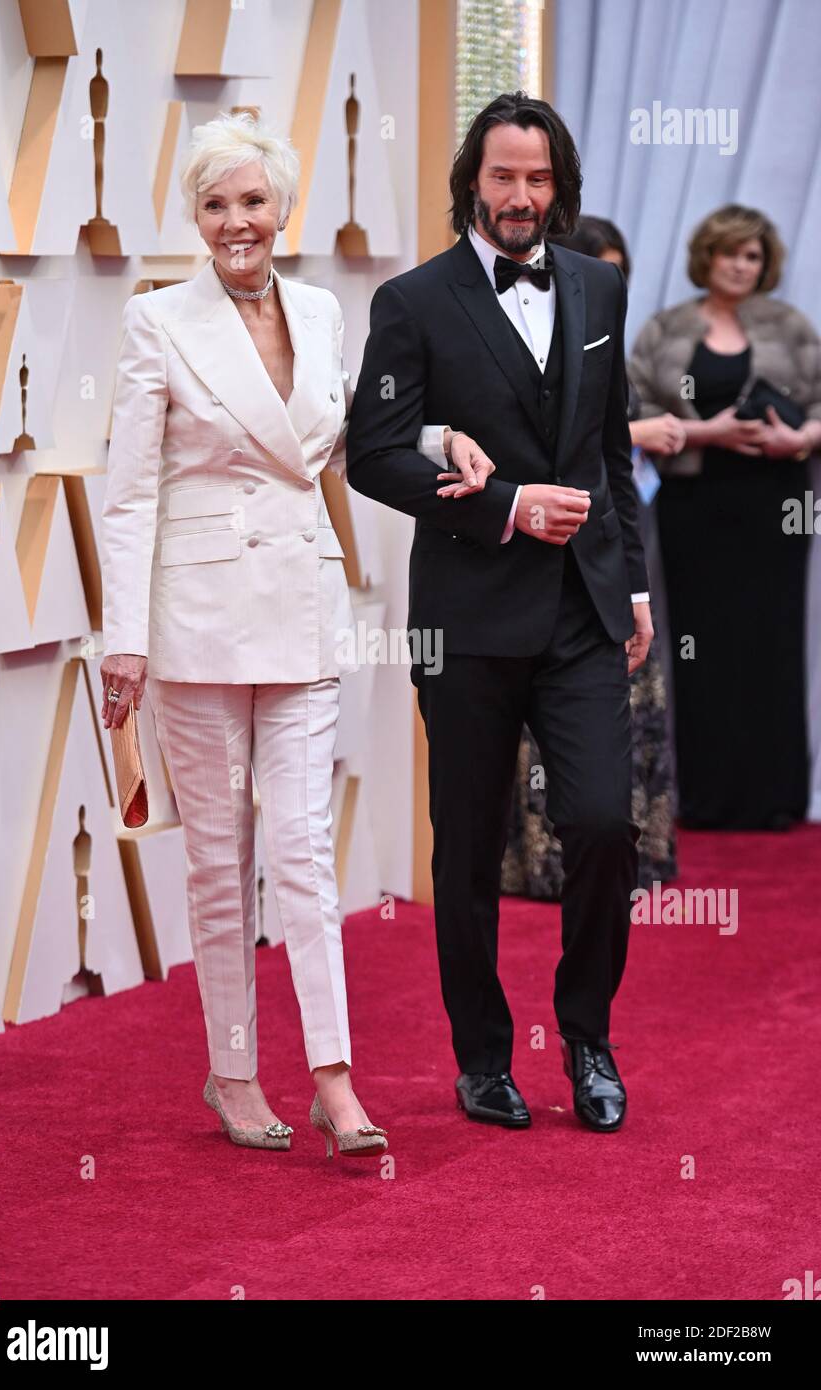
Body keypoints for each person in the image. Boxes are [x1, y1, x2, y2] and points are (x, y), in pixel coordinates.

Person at [347, 93, 653, 1134]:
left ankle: (587, 1035)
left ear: (560, 185)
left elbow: (609, 451)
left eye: (538, 179)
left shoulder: (601, 283)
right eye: (502, 177)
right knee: (469, 849)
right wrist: (506, 504)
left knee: (606, 823)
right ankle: (483, 1057)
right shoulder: (414, 300)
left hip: (581, 615)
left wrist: (637, 583)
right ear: (470, 182)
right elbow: (374, 452)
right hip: (469, 617)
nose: (520, 197)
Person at [99, 111, 390, 1158]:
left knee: (306, 850)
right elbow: (128, 496)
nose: (237, 222)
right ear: (195, 216)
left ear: (283, 206)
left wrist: (443, 438)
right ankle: (232, 1073)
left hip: (305, 610)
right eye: (216, 204)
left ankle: (334, 1078)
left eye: (253, 201)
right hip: (197, 624)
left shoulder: (320, 310)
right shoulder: (158, 321)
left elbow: (352, 439)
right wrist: (121, 638)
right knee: (220, 865)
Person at [501, 215, 681, 898]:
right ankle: (551, 868)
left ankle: (639, 856)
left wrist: (635, 589)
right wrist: (643, 430)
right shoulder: (524, 342)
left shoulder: (607, 340)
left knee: (637, 712)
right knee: (550, 731)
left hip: (613, 557)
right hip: (542, 563)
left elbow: (607, 451)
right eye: (600, 270)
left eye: (620, 274)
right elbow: (546, 438)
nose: (610, 286)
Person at [629, 204, 821, 829]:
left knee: (772, 643)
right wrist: (703, 431)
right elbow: (633, 413)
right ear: (706, 257)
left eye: (753, 255)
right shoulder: (665, 327)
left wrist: (803, 439)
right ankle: (705, 798)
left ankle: (777, 797)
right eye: (730, 253)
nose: (741, 265)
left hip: (778, 509)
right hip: (696, 510)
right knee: (699, 647)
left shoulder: (791, 325)